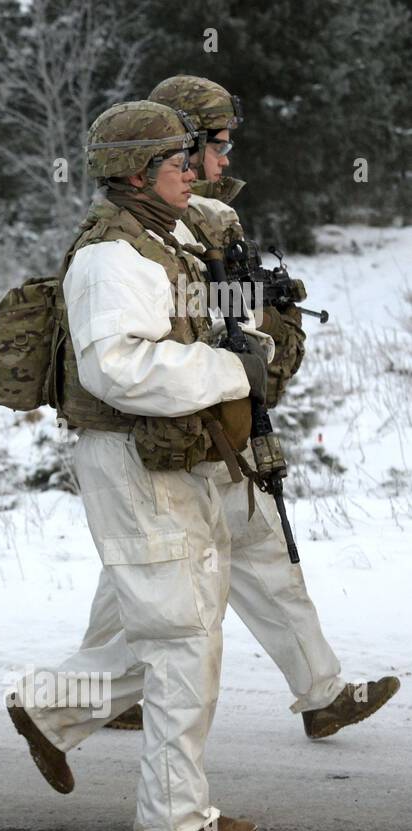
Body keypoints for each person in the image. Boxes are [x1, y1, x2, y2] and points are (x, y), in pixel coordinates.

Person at [93, 76, 400, 736]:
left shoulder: (188, 212)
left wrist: (262, 298)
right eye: (219, 144)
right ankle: (83, 698)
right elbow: (192, 319)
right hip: (191, 421)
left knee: (191, 561)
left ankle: (320, 691)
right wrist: (259, 311)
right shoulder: (175, 220)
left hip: (208, 415)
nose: (226, 159)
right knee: (198, 562)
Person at [8, 101, 271, 831]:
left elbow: (206, 326)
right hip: (131, 456)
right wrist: (229, 369)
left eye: (191, 160)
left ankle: (55, 709)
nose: (193, 173)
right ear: (135, 173)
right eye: (178, 163)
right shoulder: (111, 258)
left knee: (176, 622)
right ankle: (173, 814)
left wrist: (253, 344)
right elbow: (116, 367)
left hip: (170, 454)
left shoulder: (167, 241)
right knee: (183, 634)